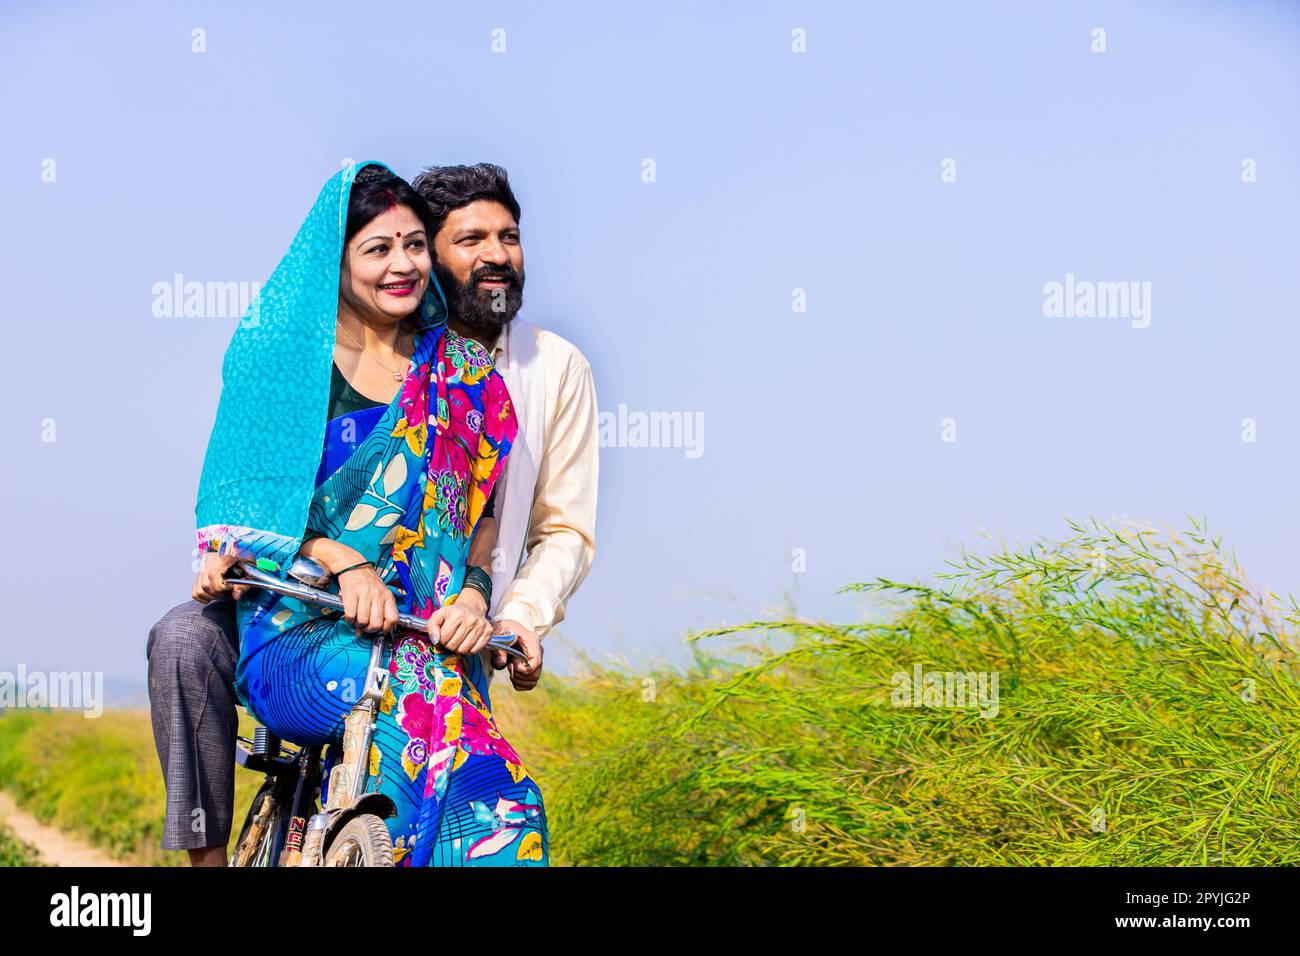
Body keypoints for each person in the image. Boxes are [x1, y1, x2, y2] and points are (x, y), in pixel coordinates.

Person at [148, 161, 599, 865]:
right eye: (378, 249)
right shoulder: (286, 360)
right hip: (298, 617)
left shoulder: (468, 375)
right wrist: (343, 561)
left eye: (413, 246)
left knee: (506, 798)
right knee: (184, 640)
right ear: (335, 261)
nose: (402, 264)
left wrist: (481, 599)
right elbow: (248, 505)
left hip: (427, 630)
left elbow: (486, 517)